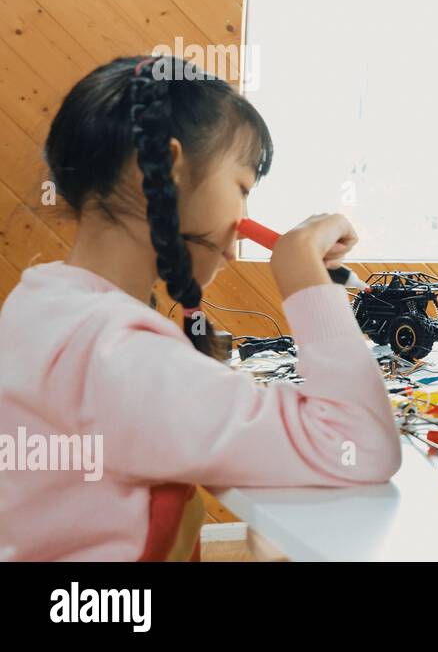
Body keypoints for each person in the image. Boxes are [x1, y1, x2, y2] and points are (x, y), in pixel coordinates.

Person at [0, 56, 401, 561]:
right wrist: (303, 276)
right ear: (168, 168)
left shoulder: (41, 302)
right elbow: (361, 445)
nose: (243, 222)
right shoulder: (113, 353)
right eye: (241, 189)